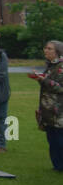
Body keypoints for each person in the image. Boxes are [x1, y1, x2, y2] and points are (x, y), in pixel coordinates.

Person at [28, 39, 63, 170]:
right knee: (52, 139)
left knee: (59, 139)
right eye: (45, 48)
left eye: (50, 49)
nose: (46, 51)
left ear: (57, 51)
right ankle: (57, 166)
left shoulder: (61, 67)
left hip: (58, 110)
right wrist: (40, 79)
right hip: (48, 108)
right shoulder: (50, 65)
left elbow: (60, 88)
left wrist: (45, 80)